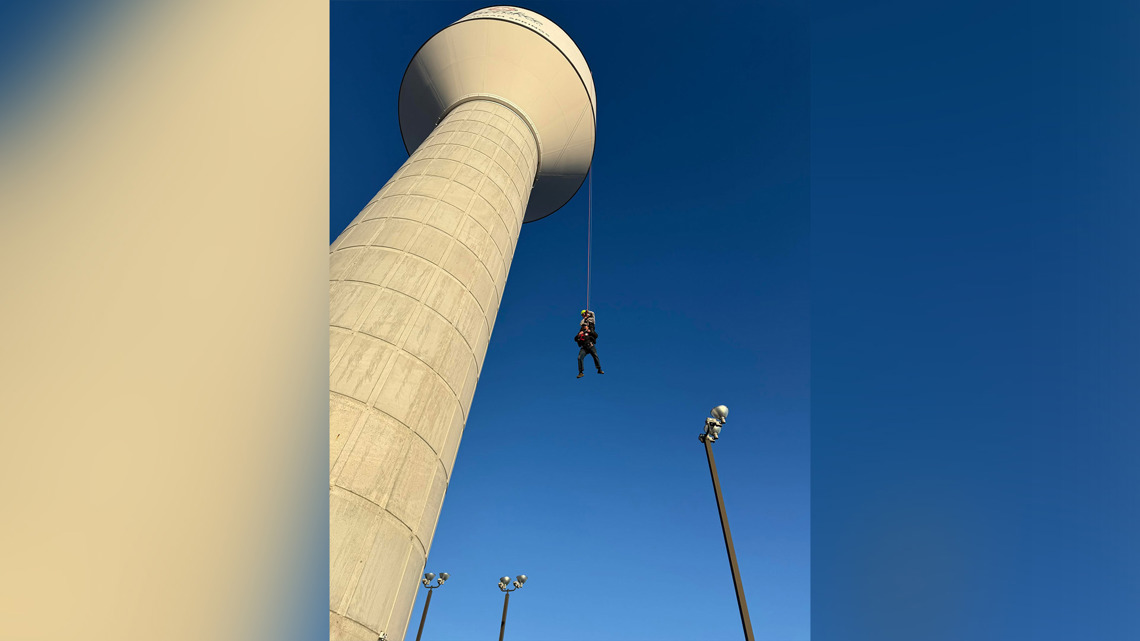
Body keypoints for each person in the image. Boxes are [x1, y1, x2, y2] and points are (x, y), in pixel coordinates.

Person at [575, 310, 603, 378]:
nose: (584, 326)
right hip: (584, 347)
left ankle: (599, 369)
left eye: (585, 326)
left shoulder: (591, 322)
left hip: (590, 345)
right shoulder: (581, 330)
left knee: (595, 356)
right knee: (579, 358)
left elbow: (596, 335)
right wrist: (579, 335)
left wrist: (588, 312)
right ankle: (580, 372)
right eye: (583, 326)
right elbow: (575, 338)